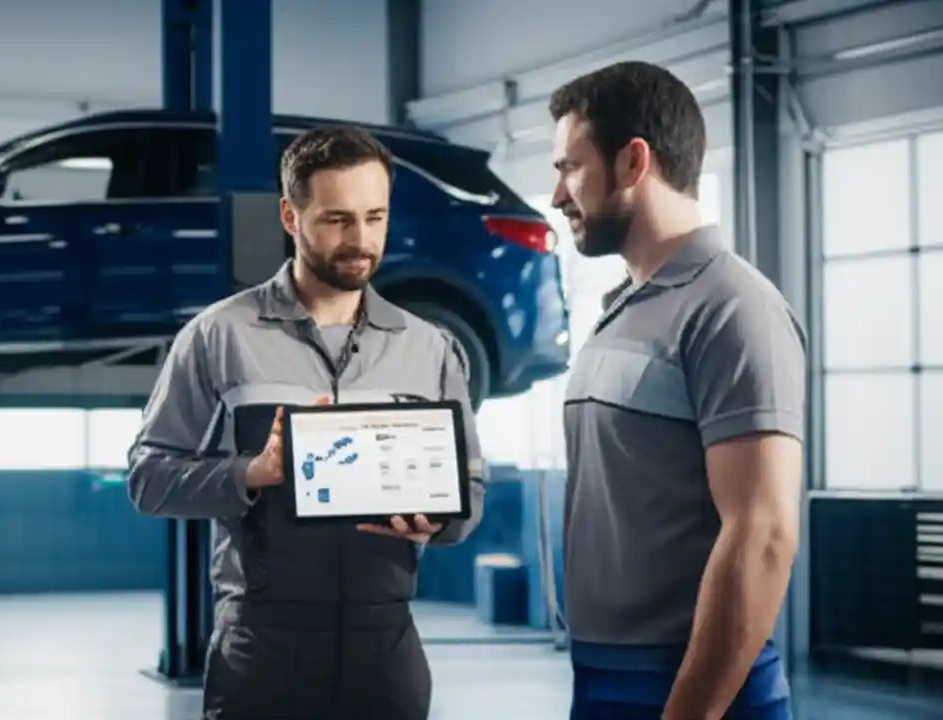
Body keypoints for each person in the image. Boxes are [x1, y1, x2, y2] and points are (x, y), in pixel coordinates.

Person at [126, 125, 487, 720]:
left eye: (376, 217)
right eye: (337, 219)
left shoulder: (430, 348)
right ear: (291, 217)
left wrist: (437, 522)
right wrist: (253, 472)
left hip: (386, 646)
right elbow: (148, 479)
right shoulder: (219, 336)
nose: (361, 240)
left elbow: (469, 494)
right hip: (264, 646)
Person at [548, 61, 806, 719]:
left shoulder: (733, 307)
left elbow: (765, 531)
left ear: (634, 162)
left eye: (569, 168)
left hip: (692, 687)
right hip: (602, 674)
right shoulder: (621, 310)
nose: (557, 196)